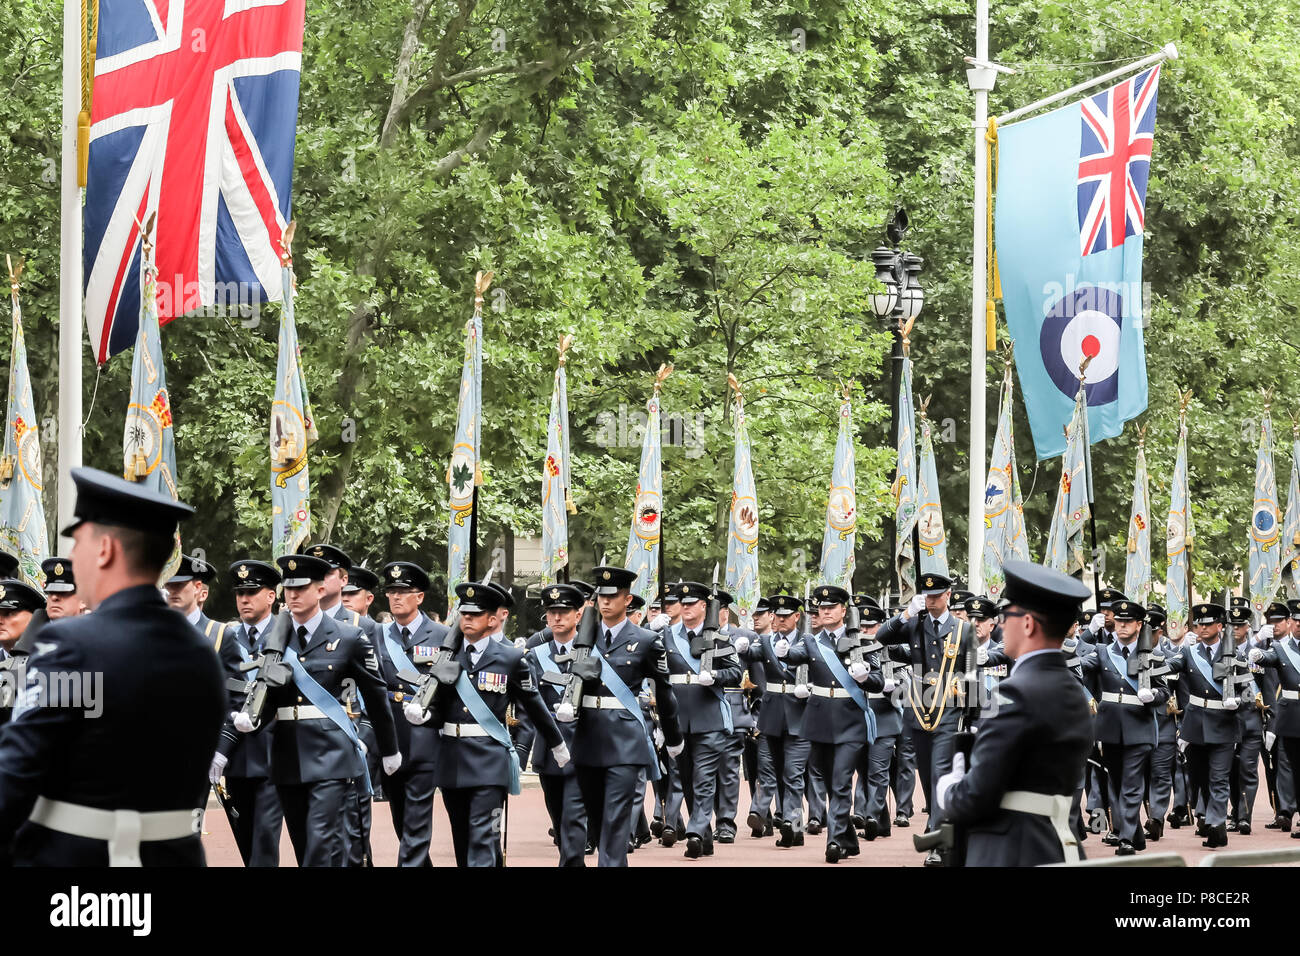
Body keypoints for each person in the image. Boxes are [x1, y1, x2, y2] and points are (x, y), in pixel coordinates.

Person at [0, 467, 225, 865]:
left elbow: (17, 773)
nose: (73, 557)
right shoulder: (199, 650)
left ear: (104, 549)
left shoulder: (73, 646)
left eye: (78, 542)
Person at [225, 553, 400, 866]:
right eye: (289, 588)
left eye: (301, 588)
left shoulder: (349, 637)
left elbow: (376, 696)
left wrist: (388, 749)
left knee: (320, 841)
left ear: (320, 590)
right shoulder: (275, 640)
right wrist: (253, 719)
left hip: (331, 756)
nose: (293, 594)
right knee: (305, 844)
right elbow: (272, 697)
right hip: (287, 755)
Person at [935, 560, 1093, 866]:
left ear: (1029, 624)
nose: (1002, 623)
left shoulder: (1014, 693)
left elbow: (975, 796)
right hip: (1058, 844)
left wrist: (948, 790)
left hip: (1011, 850)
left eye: (1007, 615)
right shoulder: (1071, 689)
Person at [405, 581, 565, 866]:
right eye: (464, 614)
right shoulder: (447, 657)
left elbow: (533, 705)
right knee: (462, 839)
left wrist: (556, 743)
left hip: (489, 759)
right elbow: (440, 709)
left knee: (482, 837)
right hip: (452, 757)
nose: (466, 619)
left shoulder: (511, 658)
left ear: (492, 620)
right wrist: (425, 715)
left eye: (475, 614)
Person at [566, 566, 683, 866]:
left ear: (627, 599)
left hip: (624, 742)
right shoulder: (582, 638)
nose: (605, 602)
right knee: (596, 817)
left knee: (616, 820)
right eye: (601, 596)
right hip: (588, 738)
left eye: (613, 596)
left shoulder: (645, 640)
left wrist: (673, 736)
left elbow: (665, 691)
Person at [875, 572, 983, 861]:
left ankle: (937, 842)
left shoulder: (963, 630)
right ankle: (939, 822)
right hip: (918, 713)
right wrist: (906, 613)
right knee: (927, 776)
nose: (931, 600)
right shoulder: (915, 624)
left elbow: (972, 673)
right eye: (927, 596)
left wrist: (971, 719)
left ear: (948, 595)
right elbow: (881, 637)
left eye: (936, 596)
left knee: (940, 775)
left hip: (949, 711)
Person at [785, 584, 884, 863]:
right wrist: (781, 649)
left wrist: (865, 677)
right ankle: (849, 838)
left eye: (831, 608)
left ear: (844, 610)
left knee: (841, 783)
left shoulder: (861, 642)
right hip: (818, 721)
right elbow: (792, 657)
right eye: (822, 608)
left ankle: (834, 842)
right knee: (829, 781)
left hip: (850, 720)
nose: (825, 612)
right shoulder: (811, 641)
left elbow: (878, 680)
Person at [1161, 602, 1255, 848]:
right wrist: (1153, 665)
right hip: (1195, 725)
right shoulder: (1189, 652)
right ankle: (1209, 816)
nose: (1202, 628)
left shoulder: (1234, 653)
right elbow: (1172, 666)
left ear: (1220, 626)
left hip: (1224, 723)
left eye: (1207, 623)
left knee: (1219, 777)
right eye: (1198, 624)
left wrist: (1239, 702)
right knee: (1199, 777)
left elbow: (1248, 690)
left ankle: (1216, 825)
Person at [1079, 599, 1169, 855]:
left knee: (1131, 783)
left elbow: (1165, 690)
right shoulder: (1103, 651)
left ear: (1139, 625)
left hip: (1138, 726)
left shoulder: (1152, 655)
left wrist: (1154, 695)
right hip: (1109, 727)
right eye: (1118, 621)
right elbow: (1081, 665)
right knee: (1116, 783)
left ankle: (1126, 838)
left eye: (1127, 622)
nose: (1121, 626)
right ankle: (1136, 834)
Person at [372, 560, 447, 866]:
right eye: (391, 591)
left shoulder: (443, 635)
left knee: (416, 820)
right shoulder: (377, 635)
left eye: (404, 591)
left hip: (424, 737)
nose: (396, 597)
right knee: (402, 821)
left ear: (420, 597)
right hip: (390, 737)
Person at [211, 559, 284, 867]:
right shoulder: (226, 638)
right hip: (236, 755)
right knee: (244, 835)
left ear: (271, 596)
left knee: (265, 840)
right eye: (239, 593)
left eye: (252, 593)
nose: (243, 599)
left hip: (274, 753)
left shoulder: (285, 635)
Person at [663, 581, 743, 859]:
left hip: (708, 718)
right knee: (684, 780)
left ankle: (695, 831)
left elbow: (736, 673)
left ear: (703, 607)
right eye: (681, 604)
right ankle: (705, 836)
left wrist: (716, 677)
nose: (684, 608)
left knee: (704, 778)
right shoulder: (665, 636)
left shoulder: (720, 638)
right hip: (677, 719)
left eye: (690, 604)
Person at [526, 583, 588, 865]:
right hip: (550, 747)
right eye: (552, 612)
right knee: (559, 816)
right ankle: (571, 855)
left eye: (564, 612)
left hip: (585, 744)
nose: (557, 618)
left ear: (578, 615)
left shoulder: (593, 653)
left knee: (576, 815)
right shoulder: (535, 655)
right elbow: (528, 706)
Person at [743, 593, 810, 845]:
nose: (780, 620)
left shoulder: (809, 641)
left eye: (785, 616)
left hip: (799, 716)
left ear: (796, 616)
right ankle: (777, 821)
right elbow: (752, 653)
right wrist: (741, 647)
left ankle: (793, 828)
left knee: (793, 775)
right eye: (777, 615)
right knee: (772, 771)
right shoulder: (767, 640)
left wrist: (810, 689)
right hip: (771, 718)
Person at [340, 564, 384, 866]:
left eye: (352, 594)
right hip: (330, 732)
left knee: (356, 814)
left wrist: (367, 737)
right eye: (342, 593)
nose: (345, 598)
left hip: (362, 731)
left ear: (367, 598)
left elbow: (380, 686)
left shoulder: (373, 632)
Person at [1249, 613, 1300, 840]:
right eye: (1296, 620)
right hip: (1290, 717)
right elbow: (1265, 658)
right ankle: (1288, 810)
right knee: (1293, 768)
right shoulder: (1281, 649)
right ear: (1291, 623)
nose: (1299, 624)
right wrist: (1255, 648)